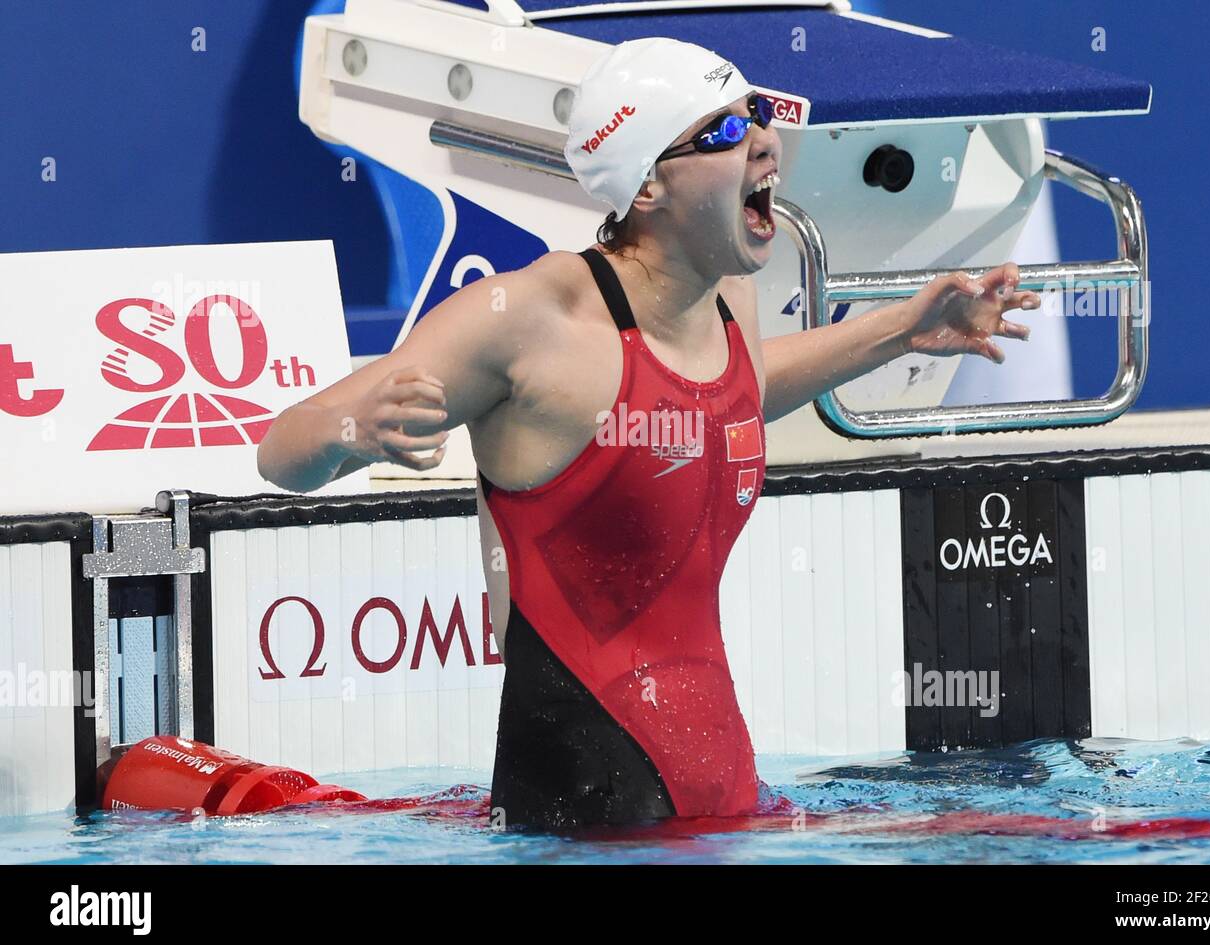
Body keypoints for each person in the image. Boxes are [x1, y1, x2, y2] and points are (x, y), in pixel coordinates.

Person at [256, 37, 1039, 831]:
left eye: (757, 114)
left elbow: (739, 392)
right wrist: (359, 426)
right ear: (650, 183)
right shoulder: (534, 321)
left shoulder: (730, 295)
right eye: (726, 132)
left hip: (724, 784)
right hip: (582, 809)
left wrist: (905, 327)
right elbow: (283, 447)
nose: (767, 139)